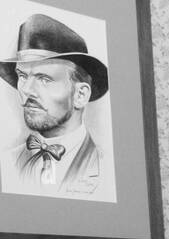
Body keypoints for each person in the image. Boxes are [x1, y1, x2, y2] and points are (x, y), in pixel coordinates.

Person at [0, 13, 110, 198]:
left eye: (44, 78)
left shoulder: (106, 168)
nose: (26, 90)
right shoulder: (6, 163)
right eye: (22, 76)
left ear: (80, 95)